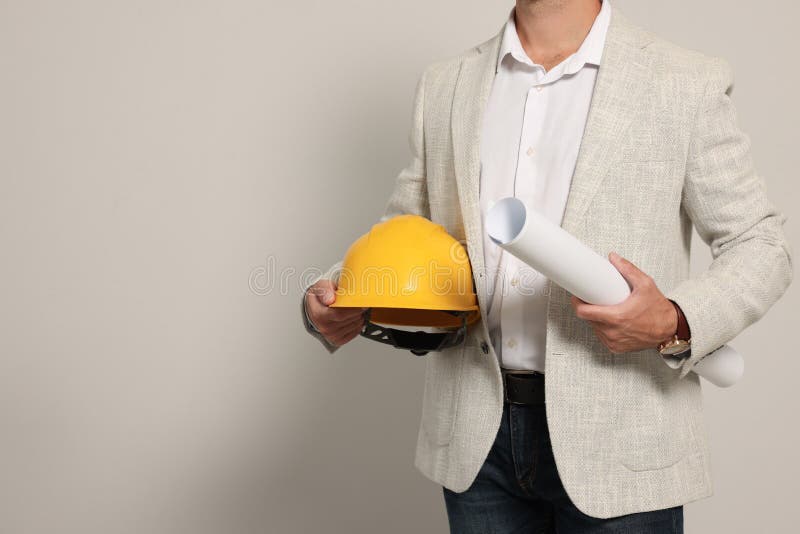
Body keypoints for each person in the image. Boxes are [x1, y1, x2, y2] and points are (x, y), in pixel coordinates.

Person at [302, 1, 794, 532]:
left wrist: (675, 319)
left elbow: (760, 243)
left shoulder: (684, 79)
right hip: (476, 441)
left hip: (622, 439)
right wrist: (334, 294)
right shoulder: (446, 84)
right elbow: (407, 229)